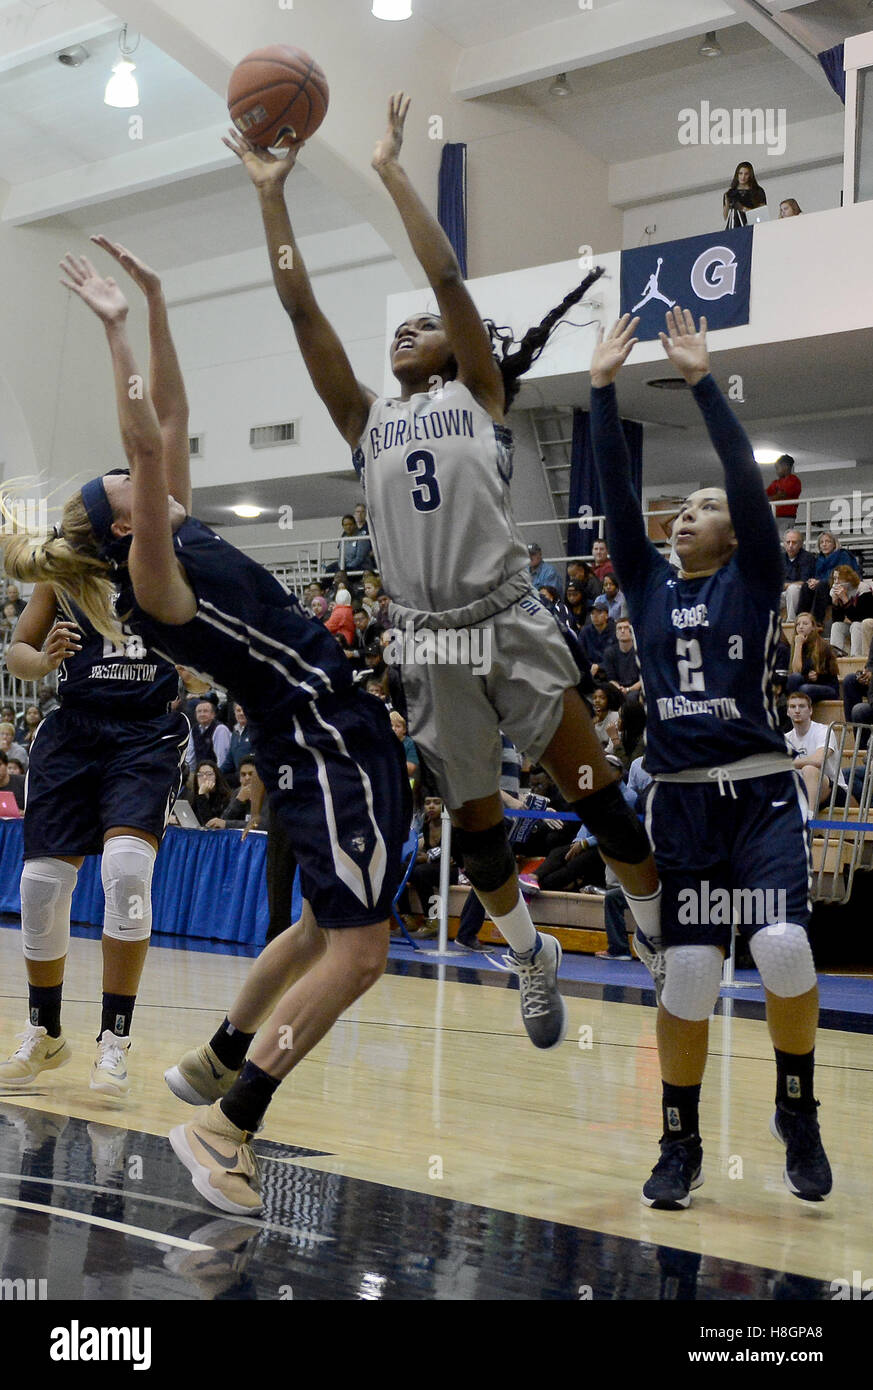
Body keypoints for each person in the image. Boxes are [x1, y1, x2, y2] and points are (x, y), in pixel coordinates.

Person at [226, 92, 662, 1048]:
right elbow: (298, 305)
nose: (407, 331)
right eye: (400, 329)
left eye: (425, 326)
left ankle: (659, 931)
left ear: (460, 349)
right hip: (428, 640)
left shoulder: (480, 393)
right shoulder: (362, 419)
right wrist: (272, 193)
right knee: (477, 827)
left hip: (506, 617)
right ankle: (526, 954)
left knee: (591, 785)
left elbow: (448, 272)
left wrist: (388, 172)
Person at [2, 237, 410, 1217]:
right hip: (317, 730)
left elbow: (169, 415)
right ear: (122, 523)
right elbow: (145, 436)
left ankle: (216, 1056)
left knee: (324, 928)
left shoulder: (166, 528)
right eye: (126, 484)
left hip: (324, 721)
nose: (144, 469)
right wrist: (112, 330)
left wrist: (152, 294)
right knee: (358, 950)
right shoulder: (152, 583)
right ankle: (227, 1120)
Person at [590, 307, 831, 1209]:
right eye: (679, 510)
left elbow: (740, 474)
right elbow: (617, 498)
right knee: (690, 970)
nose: (683, 517)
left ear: (736, 534)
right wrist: (602, 391)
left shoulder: (754, 576)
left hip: (762, 794)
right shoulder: (648, 584)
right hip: (683, 801)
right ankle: (678, 1141)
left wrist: (699, 379)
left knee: (778, 946)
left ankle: (796, 1109)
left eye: (702, 510)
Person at [784, 691, 843, 809]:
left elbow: (818, 760)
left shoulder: (824, 731)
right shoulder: (785, 738)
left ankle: (809, 819)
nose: (797, 710)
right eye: (792, 707)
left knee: (810, 769)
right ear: (788, 712)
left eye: (801, 706)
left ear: (810, 710)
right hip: (802, 790)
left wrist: (786, 764)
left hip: (833, 789)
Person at [795, 531, 859, 624]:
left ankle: (817, 622)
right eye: (821, 542)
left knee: (822, 585)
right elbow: (815, 577)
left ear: (834, 544)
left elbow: (844, 576)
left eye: (828, 542)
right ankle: (800, 620)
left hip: (841, 589)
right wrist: (812, 582)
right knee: (806, 587)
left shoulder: (843, 555)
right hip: (822, 591)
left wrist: (819, 582)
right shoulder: (818, 559)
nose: (824, 544)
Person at [787, 612, 840, 704]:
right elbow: (795, 672)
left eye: (805, 624)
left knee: (804, 689)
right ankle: (795, 713)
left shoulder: (823, 646)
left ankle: (798, 712)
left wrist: (818, 676)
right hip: (806, 685)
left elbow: (831, 672)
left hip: (827, 686)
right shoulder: (796, 645)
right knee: (794, 679)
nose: (801, 627)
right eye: (798, 624)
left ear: (812, 627)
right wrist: (798, 645)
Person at [828, 567, 873, 658]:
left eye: (839, 578)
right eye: (834, 578)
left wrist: (845, 599)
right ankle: (835, 657)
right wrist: (835, 602)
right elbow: (837, 619)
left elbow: (860, 617)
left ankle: (855, 657)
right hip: (853, 623)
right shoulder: (836, 591)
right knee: (837, 626)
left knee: (856, 625)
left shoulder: (863, 589)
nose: (836, 582)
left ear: (848, 578)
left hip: (866, 624)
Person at [597, 618, 642, 701]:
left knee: (632, 696)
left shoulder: (640, 651)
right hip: (617, 689)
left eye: (626, 628)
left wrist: (629, 689)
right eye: (619, 628)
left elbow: (643, 678)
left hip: (637, 689)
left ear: (632, 631)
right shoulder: (609, 652)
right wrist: (619, 689)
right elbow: (611, 679)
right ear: (616, 633)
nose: (622, 631)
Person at [781, 529, 816, 620]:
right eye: (788, 542)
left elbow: (804, 582)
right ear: (784, 543)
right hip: (782, 594)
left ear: (801, 544)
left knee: (792, 589)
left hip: (799, 594)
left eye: (794, 542)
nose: (790, 545)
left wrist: (786, 585)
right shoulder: (779, 558)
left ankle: (791, 622)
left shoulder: (807, 557)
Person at [188, 759, 232, 827]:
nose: (204, 777)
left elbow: (209, 824)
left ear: (216, 777)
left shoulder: (226, 797)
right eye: (200, 775)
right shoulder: (193, 796)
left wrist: (202, 795)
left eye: (209, 774)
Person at [723, 161, 767, 228]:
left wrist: (743, 208)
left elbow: (762, 213)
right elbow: (725, 217)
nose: (743, 177)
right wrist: (727, 203)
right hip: (734, 227)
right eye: (740, 173)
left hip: (753, 225)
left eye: (746, 174)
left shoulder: (758, 191)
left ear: (750, 175)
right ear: (737, 175)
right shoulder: (730, 193)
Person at [765, 454, 801, 522]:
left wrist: (765, 500)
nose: (777, 471)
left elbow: (782, 495)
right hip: (775, 515)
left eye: (778, 468)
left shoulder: (793, 480)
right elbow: (765, 493)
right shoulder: (776, 482)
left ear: (785, 466)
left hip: (787, 517)